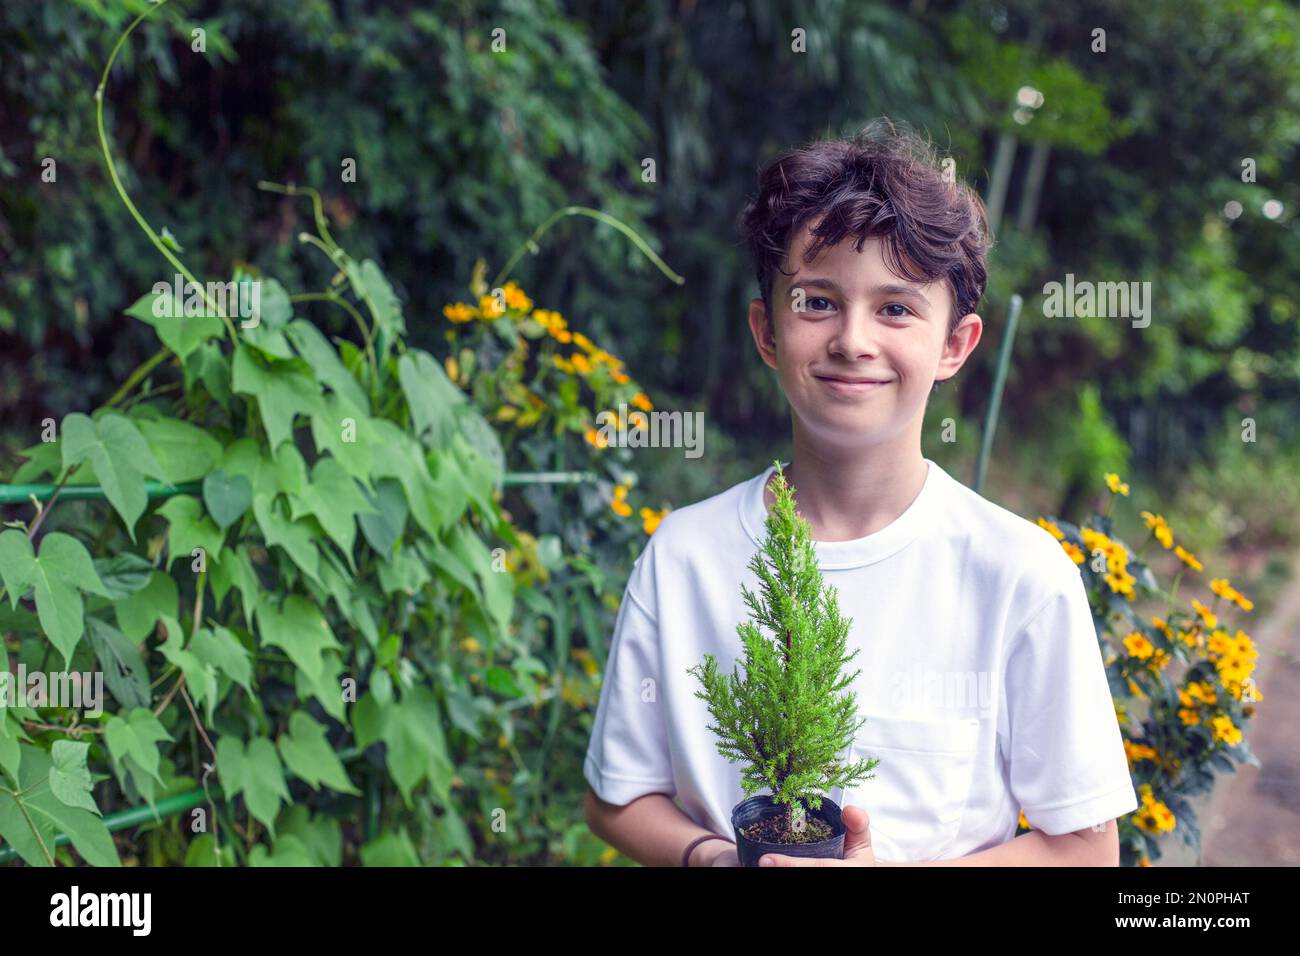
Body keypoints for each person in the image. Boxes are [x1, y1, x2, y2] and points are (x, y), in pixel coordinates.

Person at [582, 118, 1138, 867]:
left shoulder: (1020, 573)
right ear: (767, 332)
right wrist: (713, 859)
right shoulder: (683, 555)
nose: (852, 339)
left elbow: (1085, 849)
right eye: (815, 301)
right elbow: (618, 796)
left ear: (954, 345)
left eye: (896, 308)